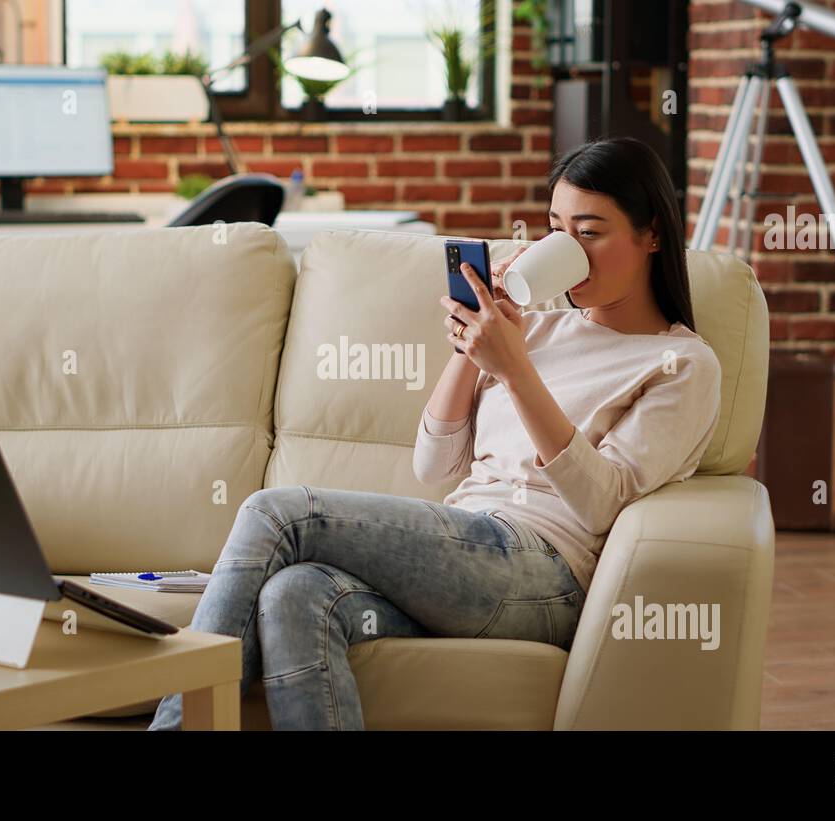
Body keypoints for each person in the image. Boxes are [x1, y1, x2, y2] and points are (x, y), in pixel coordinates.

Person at [149, 136, 723, 731]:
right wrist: (474, 348)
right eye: (555, 228)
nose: (567, 249)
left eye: (590, 232)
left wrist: (516, 371)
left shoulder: (681, 365)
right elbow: (436, 465)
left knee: (276, 515)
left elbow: (603, 502)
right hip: (470, 551)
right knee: (294, 595)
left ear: (651, 234)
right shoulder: (538, 329)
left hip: (547, 575)